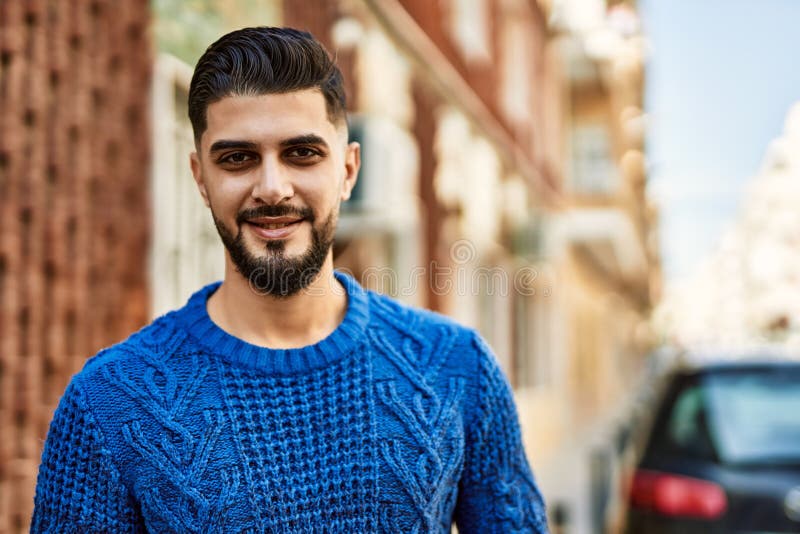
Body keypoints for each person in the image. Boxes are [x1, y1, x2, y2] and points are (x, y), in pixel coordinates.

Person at [31, 27, 547, 533]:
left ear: (348, 170)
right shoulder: (109, 402)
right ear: (201, 178)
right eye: (238, 159)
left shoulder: (457, 368)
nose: (273, 188)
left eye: (302, 153)